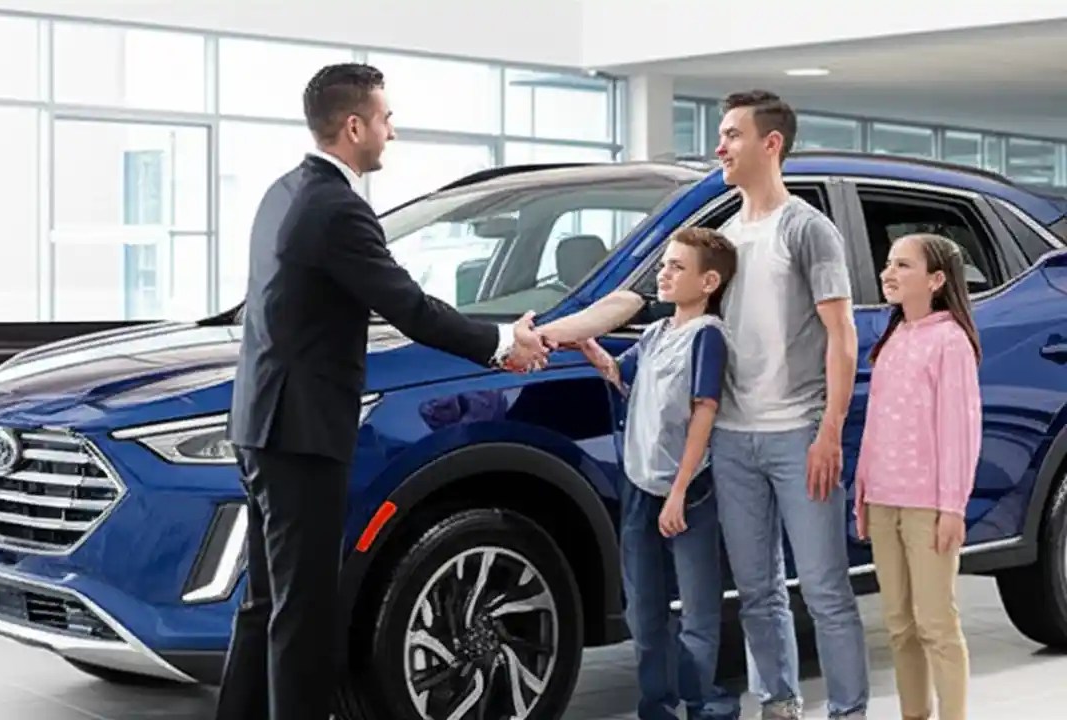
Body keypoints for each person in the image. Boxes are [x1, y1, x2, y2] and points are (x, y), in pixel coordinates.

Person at [218, 63, 549, 720]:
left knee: (266, 605)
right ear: (354, 125)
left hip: (262, 424)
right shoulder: (337, 207)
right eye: (386, 118)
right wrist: (501, 342)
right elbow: (409, 308)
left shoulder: (286, 191)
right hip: (303, 433)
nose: (391, 133)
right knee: (305, 614)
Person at [536, 89, 870, 719]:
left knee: (825, 589)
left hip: (798, 433)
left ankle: (848, 711)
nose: (720, 146)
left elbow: (842, 335)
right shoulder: (725, 240)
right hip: (732, 441)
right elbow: (642, 304)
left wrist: (830, 431)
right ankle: (779, 703)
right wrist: (555, 333)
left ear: (771, 145)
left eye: (732, 135)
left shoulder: (807, 230)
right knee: (758, 591)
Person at [577, 227, 741, 720]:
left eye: (676, 267)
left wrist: (679, 492)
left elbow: (704, 414)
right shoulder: (655, 334)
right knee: (643, 612)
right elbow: (619, 374)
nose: (664, 274)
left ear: (709, 281)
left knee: (696, 610)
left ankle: (703, 703)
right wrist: (581, 339)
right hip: (639, 487)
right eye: (665, 264)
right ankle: (658, 707)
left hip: (687, 492)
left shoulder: (708, 337)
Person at [854, 233, 982, 720]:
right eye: (889, 264)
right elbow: (877, 424)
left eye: (903, 266)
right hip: (884, 502)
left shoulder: (951, 342)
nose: (889, 273)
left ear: (935, 280)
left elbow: (960, 432)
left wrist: (953, 507)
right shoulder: (894, 340)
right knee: (899, 624)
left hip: (929, 507)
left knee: (935, 624)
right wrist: (863, 493)